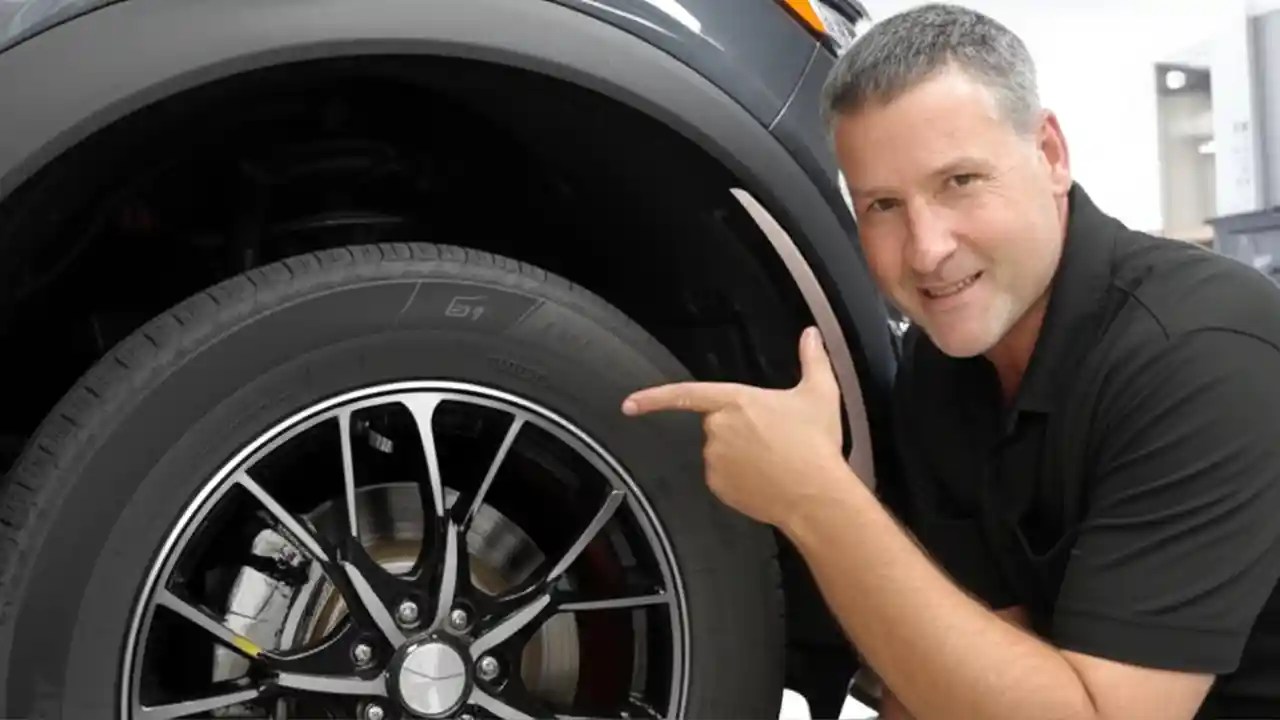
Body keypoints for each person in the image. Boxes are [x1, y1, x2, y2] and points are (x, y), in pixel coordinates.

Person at [621, 3, 1280, 719]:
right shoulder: (938, 373)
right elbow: (946, 679)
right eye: (882, 206)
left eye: (959, 182)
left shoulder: (1203, 355)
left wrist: (813, 494)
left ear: (1051, 155)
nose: (926, 249)